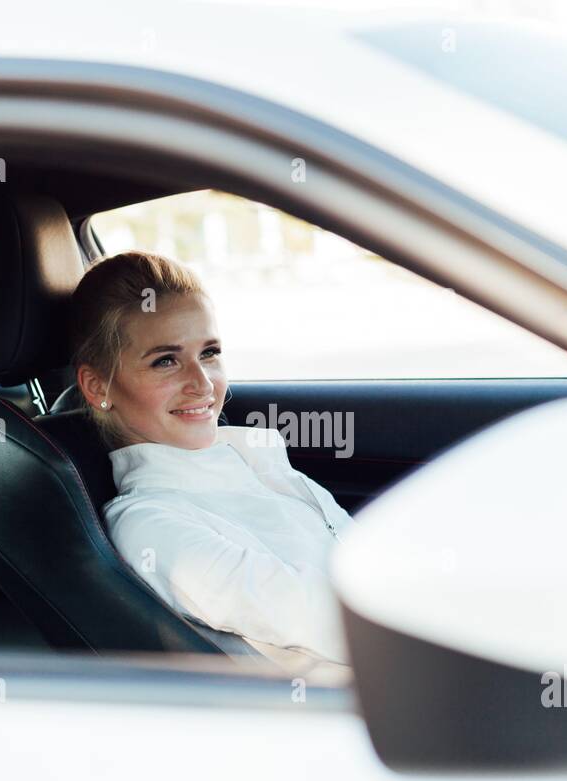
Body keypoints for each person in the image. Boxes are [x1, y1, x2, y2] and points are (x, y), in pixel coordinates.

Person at [69, 251, 355, 666]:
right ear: (97, 386)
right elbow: (339, 625)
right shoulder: (150, 525)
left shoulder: (252, 461)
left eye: (209, 353)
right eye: (165, 361)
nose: (202, 384)